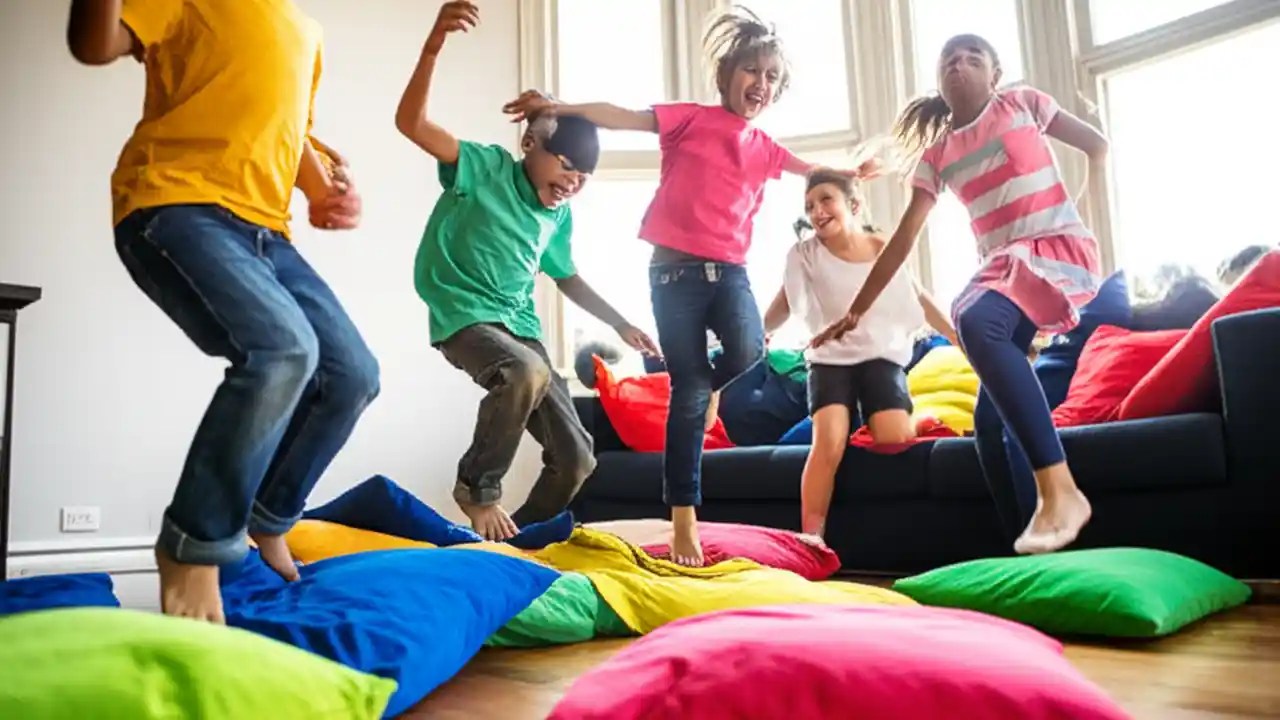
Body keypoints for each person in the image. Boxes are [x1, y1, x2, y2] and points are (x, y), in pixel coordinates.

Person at [503, 7, 876, 566]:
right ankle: (684, 523)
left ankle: (711, 387)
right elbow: (622, 117)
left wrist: (853, 172)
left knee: (748, 350)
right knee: (687, 393)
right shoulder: (689, 120)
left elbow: (815, 170)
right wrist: (560, 107)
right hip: (673, 277)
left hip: (730, 274)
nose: (761, 83)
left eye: (772, 77)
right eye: (752, 70)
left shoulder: (765, 147)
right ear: (726, 74)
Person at [67, 0, 376, 623]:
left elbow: (289, 133)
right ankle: (193, 544)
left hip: (266, 232)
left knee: (351, 374)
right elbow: (95, 45)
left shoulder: (304, 30)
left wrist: (327, 193)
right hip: (176, 204)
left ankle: (267, 519)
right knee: (283, 350)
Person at [812, 34, 1110, 556]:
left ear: (995, 75)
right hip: (1006, 272)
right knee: (989, 425)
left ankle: (1061, 490)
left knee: (974, 319)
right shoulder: (939, 155)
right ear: (939, 81)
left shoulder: (1023, 104)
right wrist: (856, 310)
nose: (960, 64)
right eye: (949, 58)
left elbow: (1097, 145)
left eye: (974, 58)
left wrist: (1078, 212)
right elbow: (902, 240)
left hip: (1053, 251)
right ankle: (1032, 548)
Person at [398, 1, 658, 542]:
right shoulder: (484, 167)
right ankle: (477, 488)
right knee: (525, 371)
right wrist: (433, 45)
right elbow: (412, 124)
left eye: (583, 178)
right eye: (566, 167)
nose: (572, 184)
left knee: (578, 459)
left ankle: (517, 547)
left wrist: (620, 323)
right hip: (465, 316)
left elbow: (566, 276)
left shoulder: (556, 216)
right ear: (530, 144)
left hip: (520, 328)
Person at [765, 169, 956, 542]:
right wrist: (753, 334)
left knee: (893, 439)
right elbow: (783, 306)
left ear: (853, 205)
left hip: (878, 356)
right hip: (829, 361)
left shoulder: (881, 247)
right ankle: (812, 538)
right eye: (809, 205)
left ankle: (916, 421)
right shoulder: (804, 256)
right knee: (829, 443)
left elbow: (919, 297)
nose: (817, 211)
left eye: (826, 200)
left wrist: (956, 337)